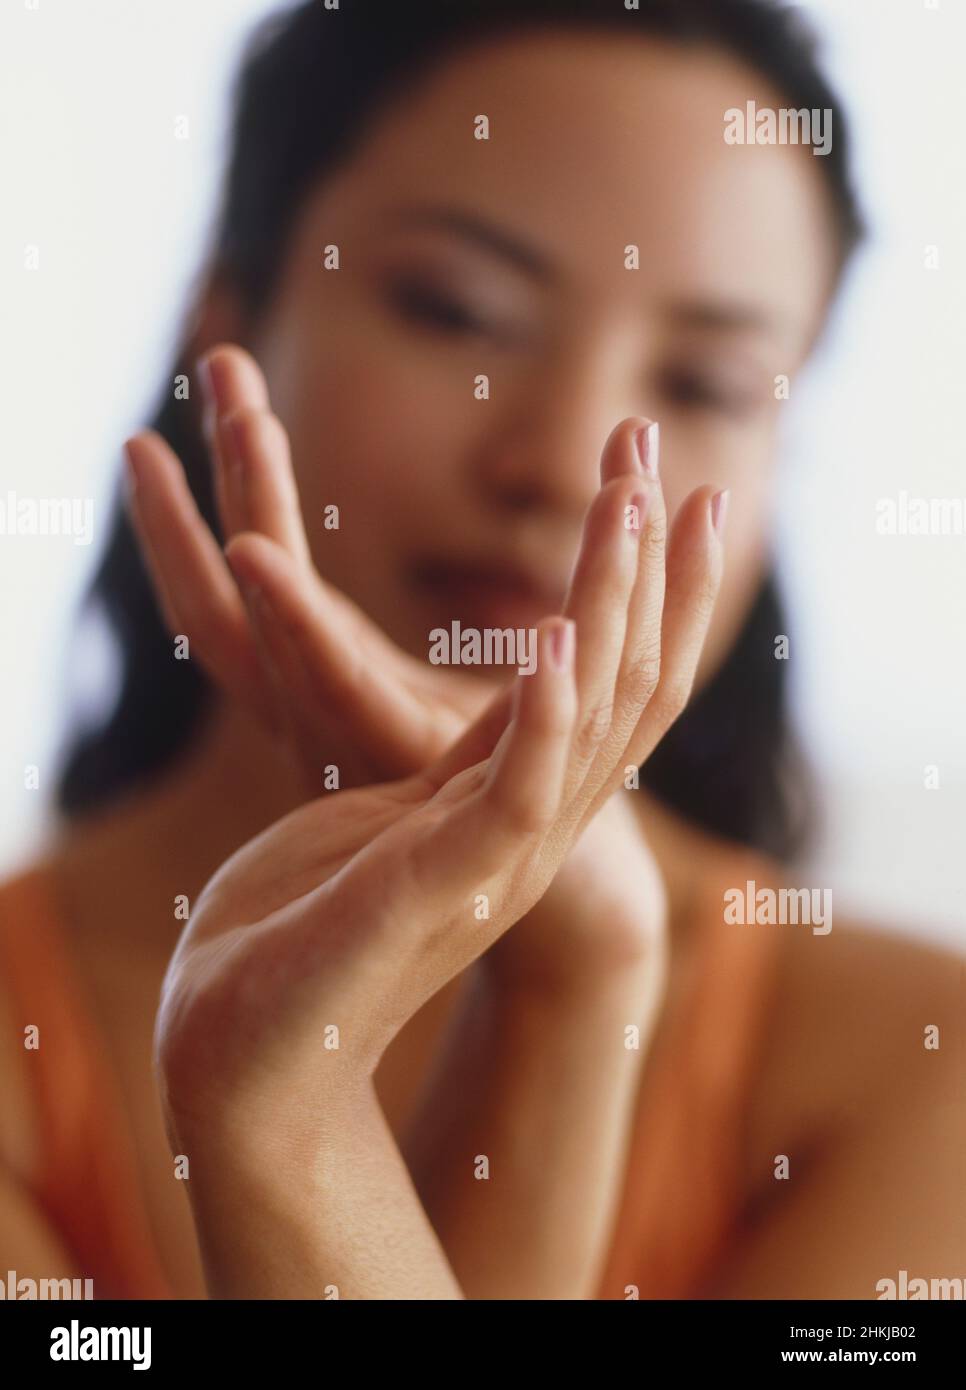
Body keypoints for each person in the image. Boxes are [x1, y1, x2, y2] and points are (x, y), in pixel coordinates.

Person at [1, 0, 962, 1300]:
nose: (565, 461)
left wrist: (566, 985)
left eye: (706, 387)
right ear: (224, 318)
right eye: (457, 312)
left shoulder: (916, 1062)